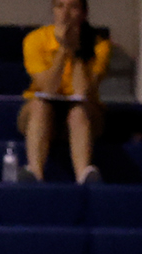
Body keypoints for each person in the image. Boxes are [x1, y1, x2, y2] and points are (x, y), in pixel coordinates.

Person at [19, 0, 112, 184]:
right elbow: (47, 88)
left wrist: (76, 50)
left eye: (73, 7)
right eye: (59, 6)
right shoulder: (34, 40)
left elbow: (82, 91)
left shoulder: (100, 45)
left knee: (78, 111)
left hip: (85, 112)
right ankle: (35, 175)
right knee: (39, 106)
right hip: (42, 111)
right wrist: (63, 49)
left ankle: (84, 176)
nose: (65, 13)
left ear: (84, 14)